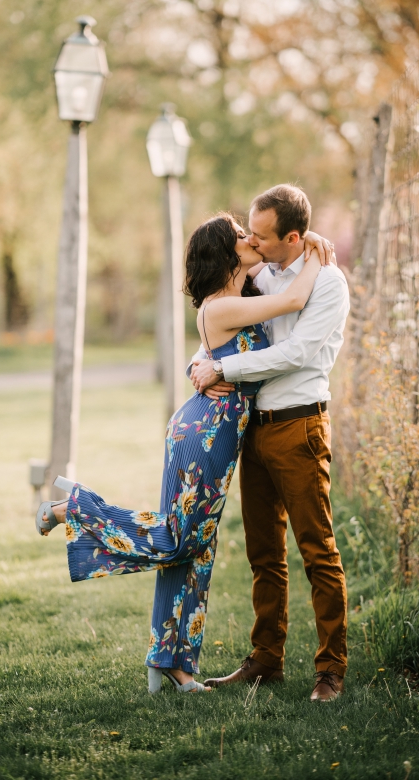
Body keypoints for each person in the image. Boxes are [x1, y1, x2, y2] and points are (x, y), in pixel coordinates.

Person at [34, 212, 333, 694]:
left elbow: (278, 261)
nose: (250, 238)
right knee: (178, 540)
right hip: (205, 434)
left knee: (196, 549)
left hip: (217, 430)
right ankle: (74, 509)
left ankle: (172, 663)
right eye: (241, 235)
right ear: (226, 253)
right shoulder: (220, 307)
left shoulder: (242, 292)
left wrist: (309, 238)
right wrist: (321, 254)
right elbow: (296, 297)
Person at [188, 184, 352, 703]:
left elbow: (299, 352)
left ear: (293, 236)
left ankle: (330, 670)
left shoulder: (327, 281)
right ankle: (265, 660)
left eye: (259, 235)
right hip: (252, 429)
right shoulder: (259, 276)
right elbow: (220, 324)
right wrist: (199, 363)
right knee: (264, 555)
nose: (250, 243)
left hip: (299, 428)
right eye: (249, 234)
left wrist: (224, 368)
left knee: (316, 551)